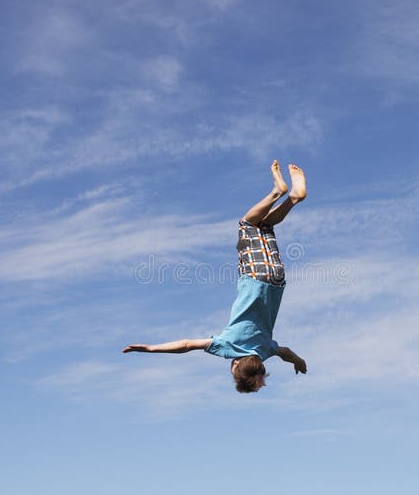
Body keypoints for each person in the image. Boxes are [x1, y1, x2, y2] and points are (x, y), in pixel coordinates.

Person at [122, 161, 307, 393]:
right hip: (254, 276)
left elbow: (287, 353)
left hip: (277, 280)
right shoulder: (227, 346)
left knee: (264, 225)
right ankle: (277, 192)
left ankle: (294, 197)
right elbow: (187, 345)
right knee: (247, 224)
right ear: (236, 365)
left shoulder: (265, 351)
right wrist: (150, 349)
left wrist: (299, 362)